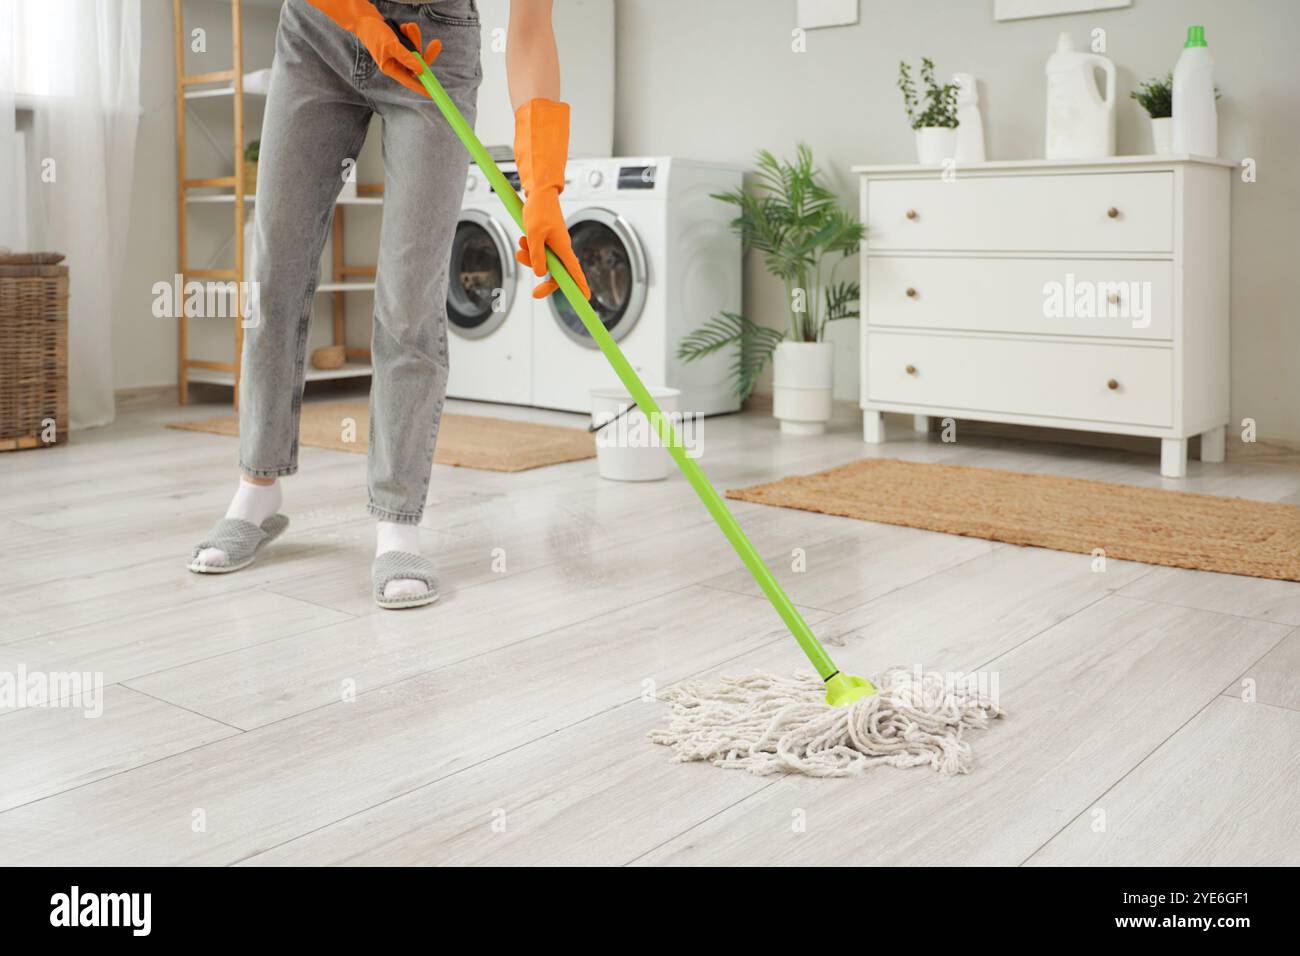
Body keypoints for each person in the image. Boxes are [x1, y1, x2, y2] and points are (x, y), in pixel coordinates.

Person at [187, 0, 589, 609]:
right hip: (318, 31)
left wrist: (543, 189)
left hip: (437, 46)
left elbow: (531, 26)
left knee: (410, 297)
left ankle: (397, 523)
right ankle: (257, 491)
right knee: (276, 272)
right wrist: (360, 19)